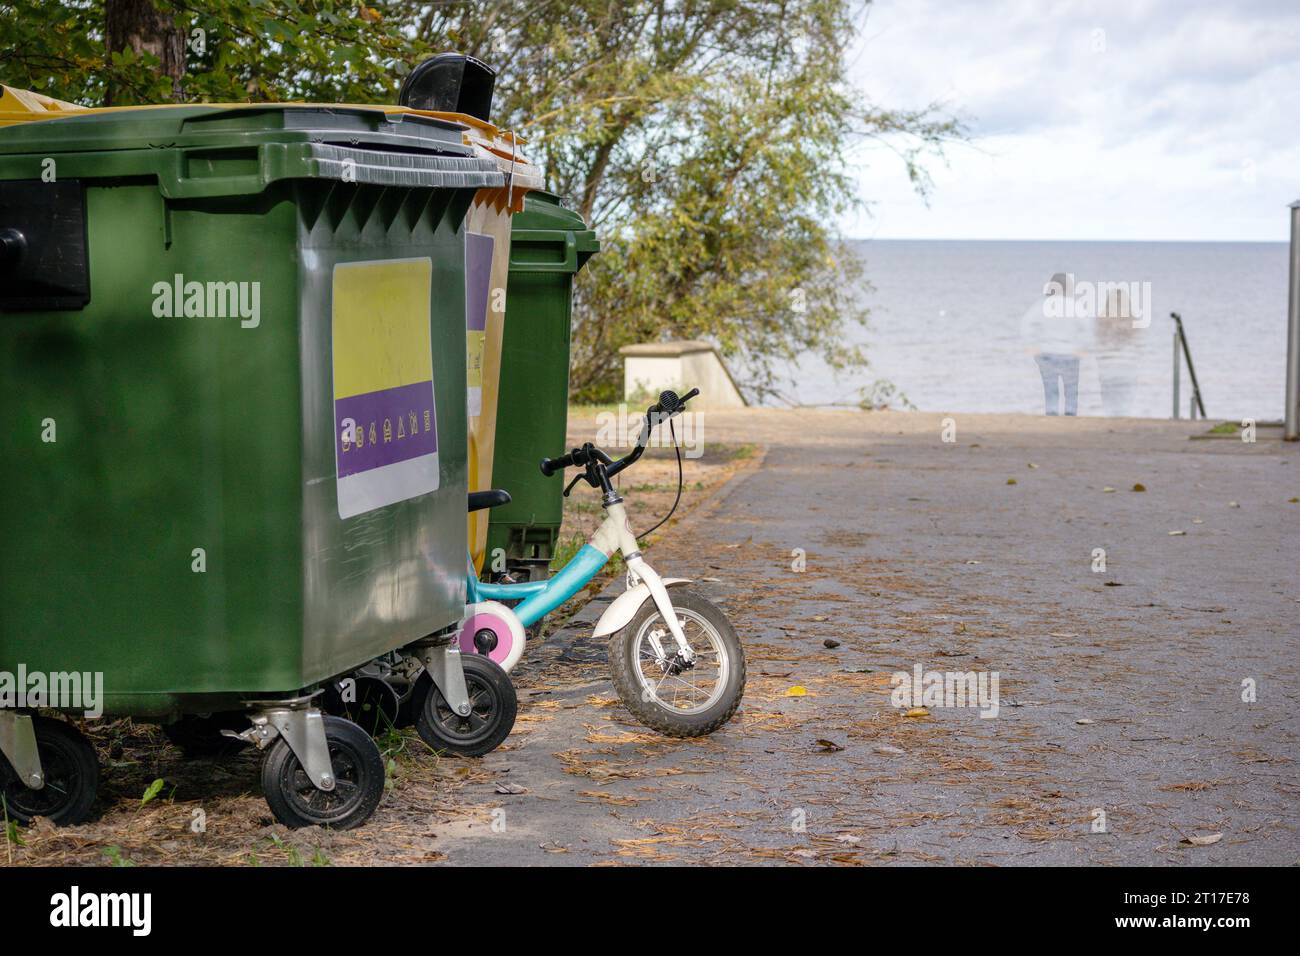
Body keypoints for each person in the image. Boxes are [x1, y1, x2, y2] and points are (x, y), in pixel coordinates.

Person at [1020, 272, 1089, 415]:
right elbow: (1087, 328)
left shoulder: (1042, 304)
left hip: (1047, 352)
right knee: (1071, 389)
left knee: (1050, 388)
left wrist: (1032, 345)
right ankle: (1070, 413)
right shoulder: (1074, 305)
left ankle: (1051, 413)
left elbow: (1026, 324)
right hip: (1070, 353)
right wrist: (1082, 347)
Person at [1094, 286, 1141, 417]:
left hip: (1107, 369)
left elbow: (1099, 345)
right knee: (1126, 406)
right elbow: (1137, 347)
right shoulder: (1133, 320)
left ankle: (1110, 430)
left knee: (1109, 406)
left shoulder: (1102, 320)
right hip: (1128, 368)